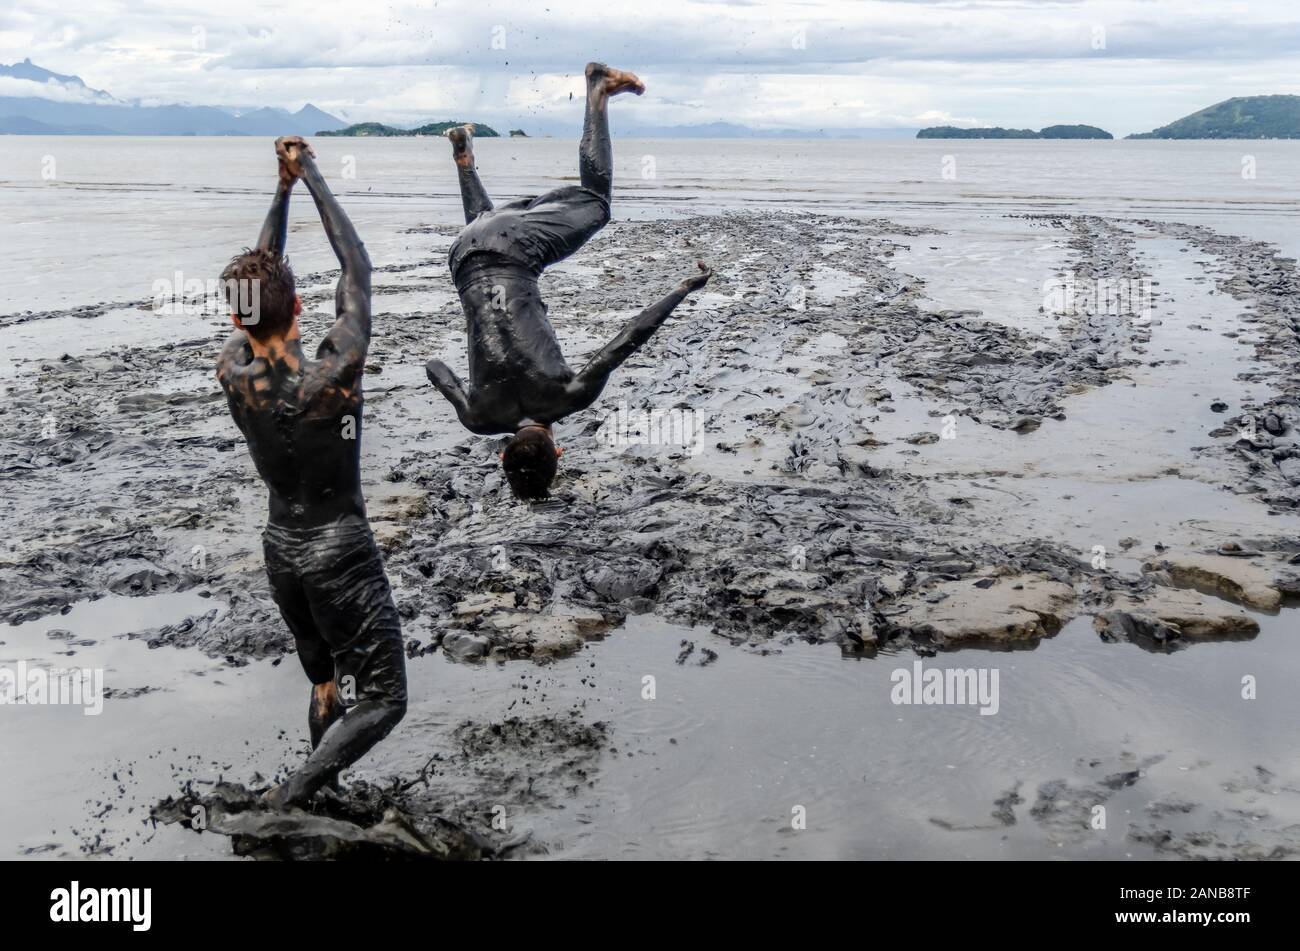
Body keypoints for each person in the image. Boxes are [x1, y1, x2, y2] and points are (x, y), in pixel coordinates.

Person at [216, 135, 406, 809]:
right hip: (340, 555)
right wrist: (312, 174)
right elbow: (357, 267)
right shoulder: (331, 374)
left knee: (326, 684)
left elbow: (253, 296)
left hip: (282, 554)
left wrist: (281, 189)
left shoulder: (233, 372)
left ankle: (318, 789)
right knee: (385, 697)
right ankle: (294, 793)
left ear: (238, 316)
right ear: (299, 309)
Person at [426, 62, 712, 500]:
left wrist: (682, 289)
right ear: (502, 456)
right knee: (487, 236)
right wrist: (464, 399)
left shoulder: (569, 396)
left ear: (558, 451)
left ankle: (598, 89)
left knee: (597, 205)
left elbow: (628, 338)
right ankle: (463, 155)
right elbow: (435, 368)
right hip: (464, 257)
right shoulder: (479, 419)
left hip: (514, 252)